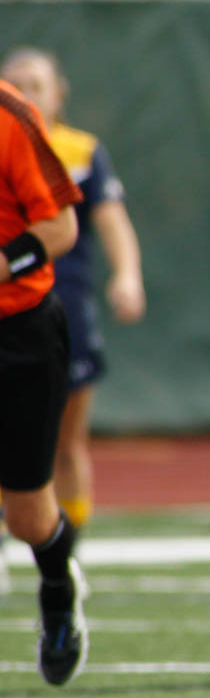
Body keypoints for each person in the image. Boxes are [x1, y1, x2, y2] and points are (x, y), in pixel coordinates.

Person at [2, 48, 146, 542]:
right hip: (9, 308)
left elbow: (106, 219)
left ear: (59, 93)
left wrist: (127, 274)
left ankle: (67, 553)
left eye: (37, 84)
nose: (27, 94)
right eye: (16, 83)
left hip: (59, 309)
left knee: (62, 442)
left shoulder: (80, 151)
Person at [0, 75, 87, 685]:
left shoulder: (10, 116)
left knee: (27, 516)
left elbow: (61, 229)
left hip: (19, 332)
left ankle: (58, 590)